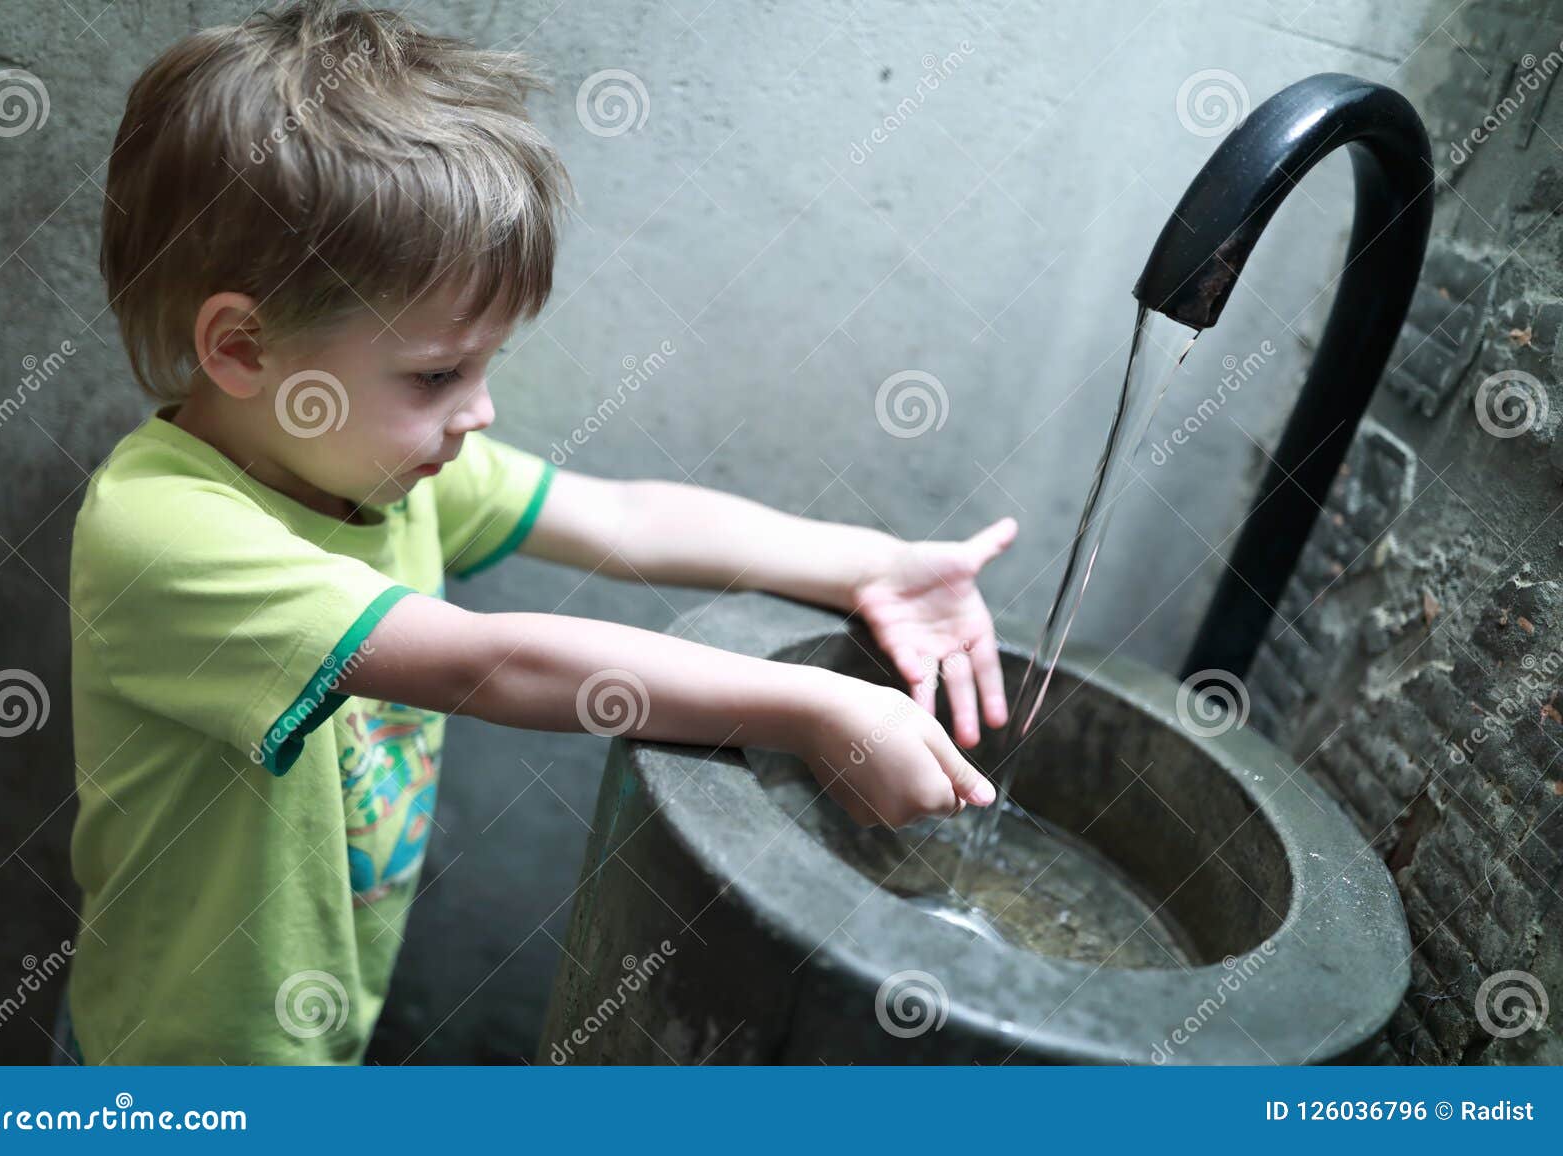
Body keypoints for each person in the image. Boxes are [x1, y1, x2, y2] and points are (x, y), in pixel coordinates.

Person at [61, 0, 1019, 1064]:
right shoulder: (163, 532)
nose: (477, 414)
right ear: (243, 346)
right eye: (436, 374)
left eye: (484, 367)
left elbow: (623, 517)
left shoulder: (378, 469)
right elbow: (492, 664)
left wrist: (870, 564)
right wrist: (810, 708)